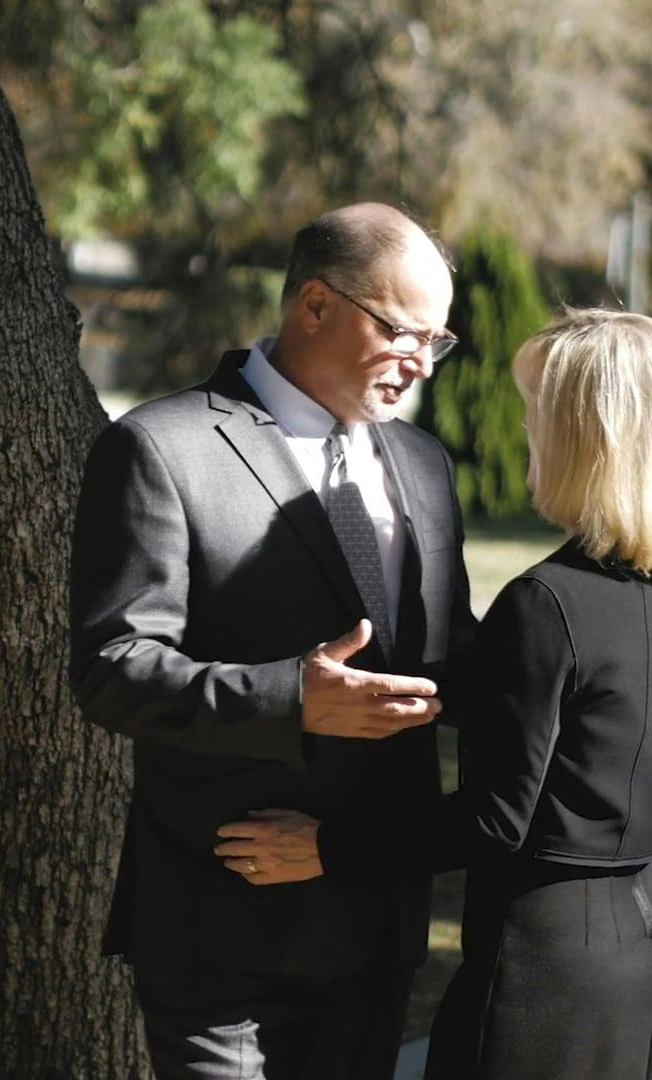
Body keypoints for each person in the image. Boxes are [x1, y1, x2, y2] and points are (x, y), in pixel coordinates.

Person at [218, 309, 652, 1079]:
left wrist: (323, 847)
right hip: (649, 942)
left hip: (548, 966)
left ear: (582, 435)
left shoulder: (547, 599)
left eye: (536, 412)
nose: (526, 429)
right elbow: (580, 713)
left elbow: (494, 820)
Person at [69, 202, 480, 1079]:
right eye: (405, 330)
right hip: (225, 924)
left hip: (376, 916)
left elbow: (448, 652)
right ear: (317, 306)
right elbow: (113, 669)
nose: (420, 361)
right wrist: (293, 700)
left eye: (436, 342)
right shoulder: (162, 446)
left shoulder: (423, 465)